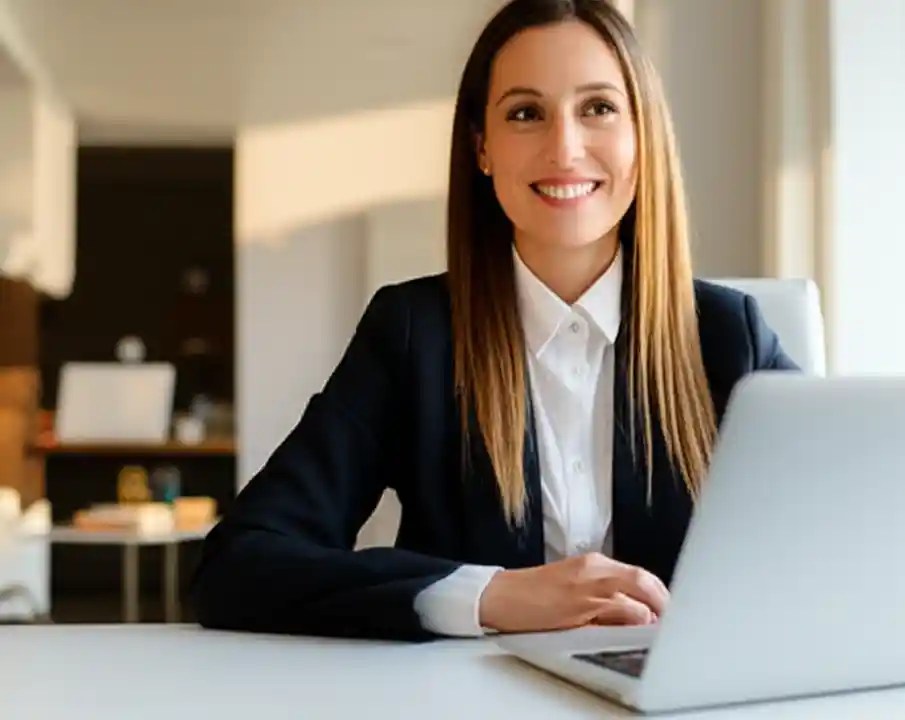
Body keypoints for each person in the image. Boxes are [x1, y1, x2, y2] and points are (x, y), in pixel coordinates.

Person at [192, 0, 797, 642]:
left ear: (642, 137)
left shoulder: (732, 336)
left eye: (598, 108)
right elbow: (239, 564)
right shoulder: (413, 335)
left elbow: (842, 547)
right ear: (482, 147)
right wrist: (489, 596)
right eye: (526, 113)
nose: (565, 148)